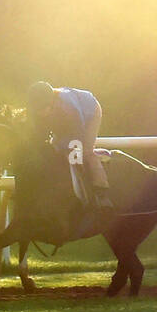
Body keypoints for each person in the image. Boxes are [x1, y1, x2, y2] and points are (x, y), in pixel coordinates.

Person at [26, 81, 114, 227]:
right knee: (57, 149)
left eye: (43, 108)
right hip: (67, 122)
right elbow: (41, 135)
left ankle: (101, 195)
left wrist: (72, 153)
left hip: (89, 113)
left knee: (84, 152)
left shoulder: (68, 105)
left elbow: (76, 134)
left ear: (52, 102)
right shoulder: (38, 107)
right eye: (38, 109)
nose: (41, 112)